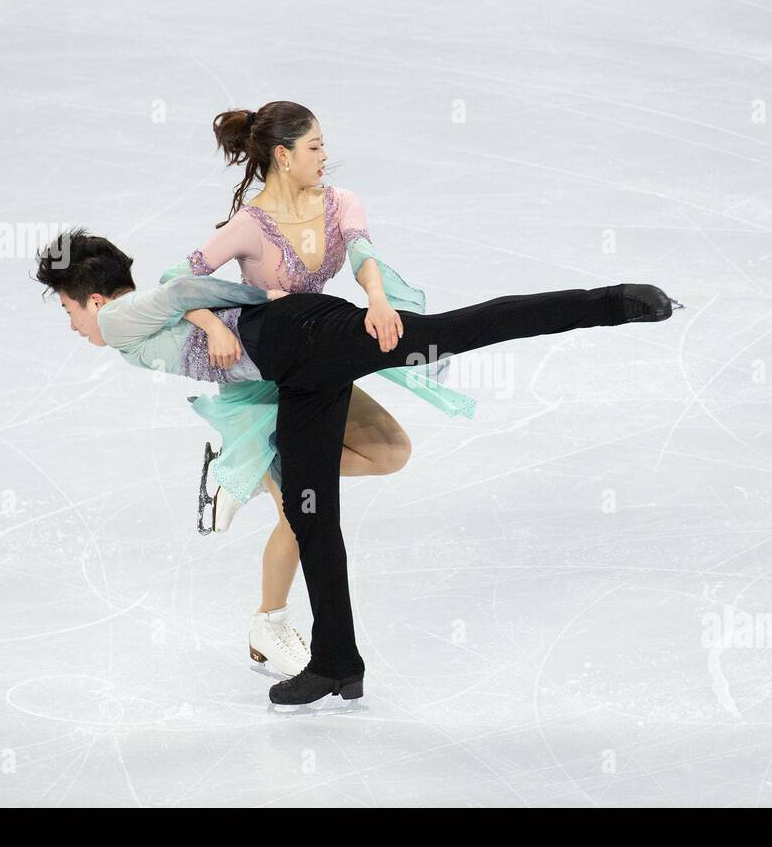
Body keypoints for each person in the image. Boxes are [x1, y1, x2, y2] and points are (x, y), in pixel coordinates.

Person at [33, 228, 678, 706]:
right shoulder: (133, 318)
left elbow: (181, 288)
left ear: (90, 298)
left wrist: (238, 305)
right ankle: (338, 661)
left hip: (303, 338)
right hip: (295, 369)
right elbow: (179, 298)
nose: (70, 326)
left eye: (66, 311)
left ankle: (612, 302)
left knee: (448, 334)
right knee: (314, 519)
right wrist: (220, 315)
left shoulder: (117, 321)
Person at [161, 100, 469, 680]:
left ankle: (252, 471)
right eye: (314, 147)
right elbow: (177, 281)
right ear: (283, 155)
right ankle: (268, 623)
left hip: (321, 366)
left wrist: (377, 299)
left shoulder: (340, 203)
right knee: (303, 515)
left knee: (389, 452)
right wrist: (208, 326)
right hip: (271, 380)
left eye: (323, 144)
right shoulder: (250, 225)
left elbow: (362, 255)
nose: (325, 156)